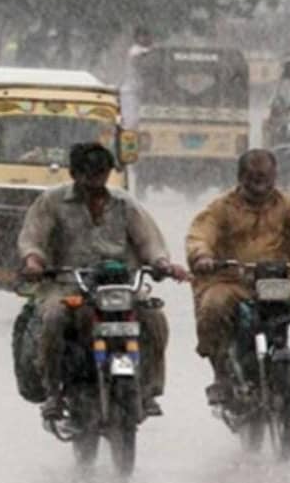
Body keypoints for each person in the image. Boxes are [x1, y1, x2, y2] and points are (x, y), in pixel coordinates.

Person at [17, 142, 189, 419]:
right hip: (68, 284)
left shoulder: (125, 203)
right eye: (89, 174)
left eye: (102, 173)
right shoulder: (51, 202)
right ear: (74, 173)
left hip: (119, 286)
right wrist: (34, 262)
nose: (96, 180)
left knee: (153, 317)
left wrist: (162, 264)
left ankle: (149, 389)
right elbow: (32, 239)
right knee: (53, 319)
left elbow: (149, 242)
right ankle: (54, 392)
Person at [186, 148, 290, 407]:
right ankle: (222, 375)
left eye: (266, 175)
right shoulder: (221, 208)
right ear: (240, 176)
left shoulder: (288, 205)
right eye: (253, 175)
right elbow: (200, 234)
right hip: (232, 283)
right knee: (213, 307)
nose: (260, 181)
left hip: (279, 285)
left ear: (275, 175)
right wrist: (202, 256)